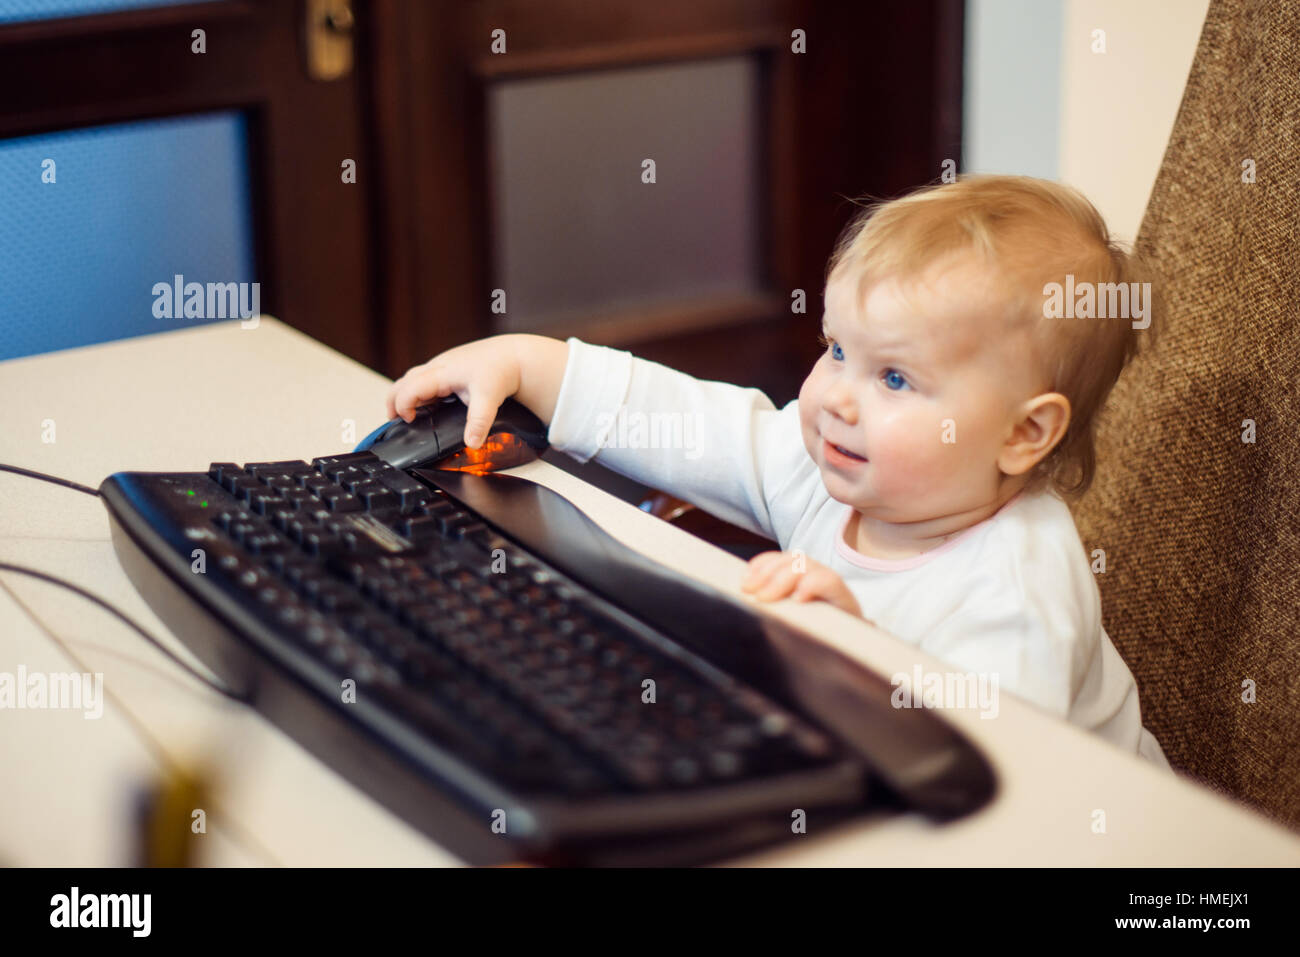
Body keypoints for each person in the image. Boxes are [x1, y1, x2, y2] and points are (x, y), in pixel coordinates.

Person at [386, 174, 1171, 767]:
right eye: (836, 350)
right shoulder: (842, 465)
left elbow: (994, 781)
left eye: (893, 379)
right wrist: (531, 365)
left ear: (1023, 433)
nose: (835, 398)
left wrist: (859, 657)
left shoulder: (1017, 592)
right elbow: (693, 425)